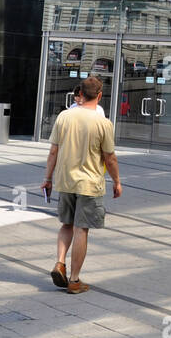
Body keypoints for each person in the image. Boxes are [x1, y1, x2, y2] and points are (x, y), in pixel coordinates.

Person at [42, 76, 120, 294]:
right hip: (89, 184)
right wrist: (117, 181)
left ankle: (60, 262)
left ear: (80, 94)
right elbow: (110, 158)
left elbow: (53, 151)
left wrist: (47, 179)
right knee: (81, 230)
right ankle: (74, 280)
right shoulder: (103, 123)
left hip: (65, 181)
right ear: (99, 95)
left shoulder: (64, 117)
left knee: (66, 224)